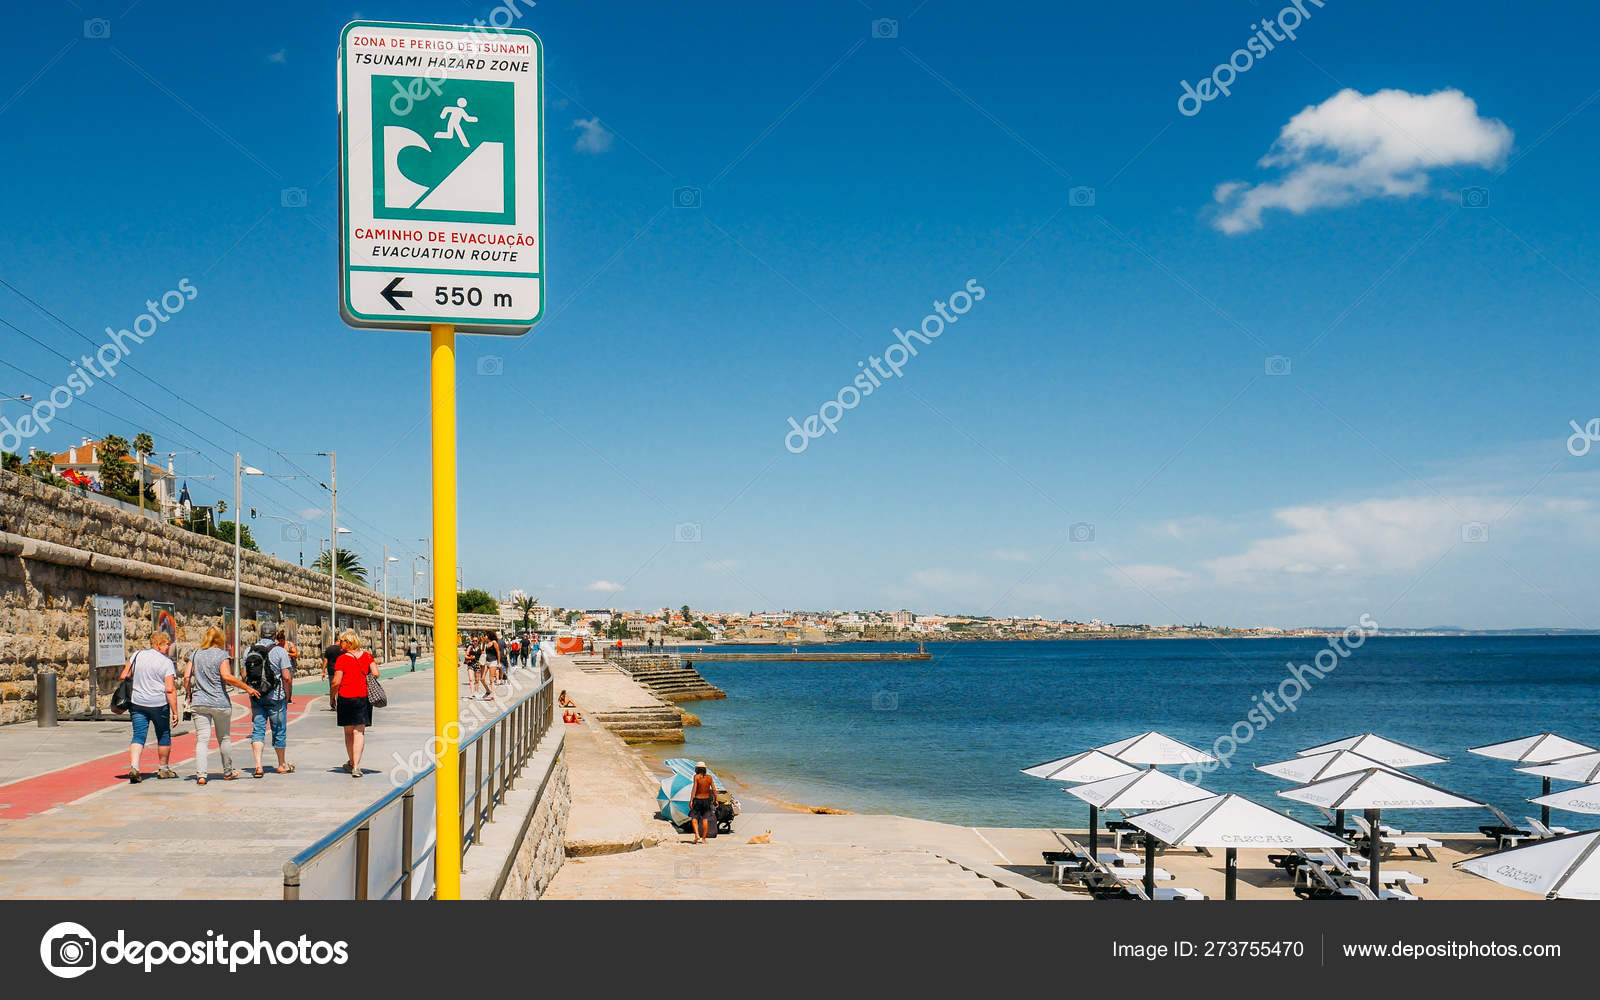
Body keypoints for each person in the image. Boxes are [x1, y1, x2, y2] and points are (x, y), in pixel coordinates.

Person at [183, 626, 257, 784]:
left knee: (202, 739)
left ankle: (201, 775)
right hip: (220, 702)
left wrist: (189, 693)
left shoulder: (195, 654)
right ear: (219, 639)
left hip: (199, 702)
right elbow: (226, 676)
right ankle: (228, 772)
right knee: (224, 738)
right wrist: (247, 688)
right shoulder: (222, 655)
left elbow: (186, 676)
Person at [121, 631, 180, 782]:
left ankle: (134, 767)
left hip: (138, 702)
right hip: (159, 704)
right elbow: (170, 689)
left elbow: (124, 675)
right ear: (159, 644)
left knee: (138, 735)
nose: (168, 647)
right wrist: (175, 712)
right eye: (167, 644)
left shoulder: (137, 655)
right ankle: (163, 769)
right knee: (163, 735)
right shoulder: (166, 662)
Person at [331, 630, 380, 777]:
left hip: (346, 697)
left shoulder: (342, 659)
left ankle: (352, 761)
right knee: (359, 731)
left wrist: (332, 697)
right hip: (363, 697)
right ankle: (356, 766)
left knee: (348, 732)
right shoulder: (367, 656)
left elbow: (336, 682)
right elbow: (376, 673)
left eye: (343, 641)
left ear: (349, 642)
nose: (340, 644)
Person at [247, 629, 296, 778]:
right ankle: (281, 764)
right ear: (274, 635)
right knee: (279, 730)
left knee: (258, 730)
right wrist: (287, 696)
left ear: (260, 633)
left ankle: (258, 766)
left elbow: (244, 674)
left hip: (256, 696)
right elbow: (287, 677)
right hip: (276, 696)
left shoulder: (249, 650)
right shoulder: (280, 651)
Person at [689, 761, 716, 844]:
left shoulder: (696, 777)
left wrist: (691, 800)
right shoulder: (709, 777)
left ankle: (697, 835)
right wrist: (716, 799)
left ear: (697, 769)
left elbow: (695, 788)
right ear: (705, 769)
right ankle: (703, 839)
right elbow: (714, 789)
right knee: (705, 819)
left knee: (694, 818)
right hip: (706, 800)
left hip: (697, 800)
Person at [322, 640, 343, 710]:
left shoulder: (329, 649)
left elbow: (325, 660)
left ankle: (332, 702)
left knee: (332, 686)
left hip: (331, 669)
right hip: (340, 669)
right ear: (339, 641)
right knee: (339, 686)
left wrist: (323, 671)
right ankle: (339, 703)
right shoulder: (342, 649)